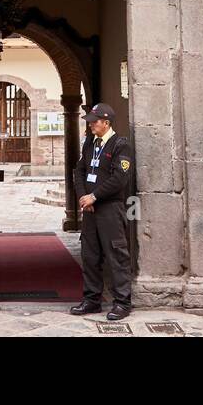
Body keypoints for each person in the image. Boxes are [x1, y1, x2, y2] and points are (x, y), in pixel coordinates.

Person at [68, 102, 134, 321]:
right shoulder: (90, 143)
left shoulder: (119, 145)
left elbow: (119, 179)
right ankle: (92, 300)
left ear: (106, 123)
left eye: (94, 122)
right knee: (90, 255)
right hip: (90, 209)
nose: (90, 126)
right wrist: (83, 198)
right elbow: (79, 170)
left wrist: (95, 196)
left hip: (110, 209)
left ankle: (122, 302)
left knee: (116, 255)